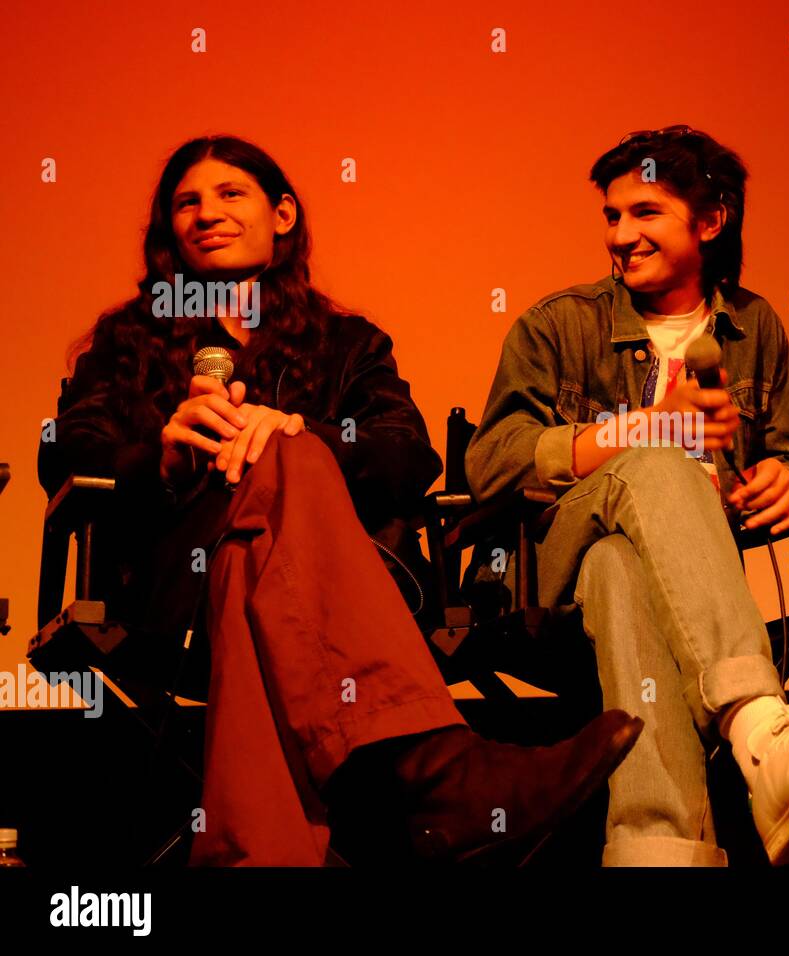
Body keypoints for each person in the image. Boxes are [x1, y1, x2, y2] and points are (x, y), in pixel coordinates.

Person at [37, 135, 641, 866]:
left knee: (279, 486)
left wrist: (302, 432)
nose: (206, 213)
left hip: (337, 589)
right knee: (270, 500)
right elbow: (70, 453)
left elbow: (404, 452)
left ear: (282, 213)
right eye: (187, 202)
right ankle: (437, 773)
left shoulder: (345, 343)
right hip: (175, 587)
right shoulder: (129, 343)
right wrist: (162, 455)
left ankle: (257, 852)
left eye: (231, 194)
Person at [465, 126, 789, 867]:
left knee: (621, 570)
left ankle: (655, 844)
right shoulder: (559, 322)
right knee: (651, 472)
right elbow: (493, 463)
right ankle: (761, 730)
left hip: (671, 593)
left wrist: (785, 481)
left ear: (710, 220)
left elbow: (786, 452)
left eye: (645, 213)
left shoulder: (755, 326)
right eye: (612, 215)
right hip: (551, 580)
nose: (621, 234)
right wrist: (640, 428)